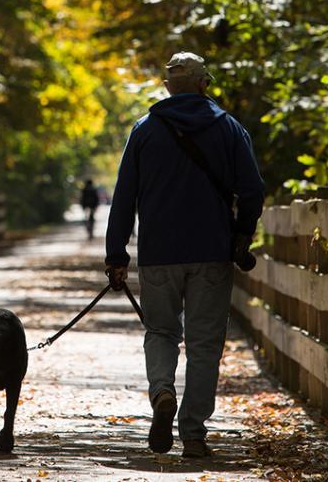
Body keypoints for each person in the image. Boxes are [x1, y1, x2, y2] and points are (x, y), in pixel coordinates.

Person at [104, 52, 264, 458]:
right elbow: (252, 189)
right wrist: (242, 233)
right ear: (203, 83)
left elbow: (124, 196)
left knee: (161, 332)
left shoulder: (144, 130)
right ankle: (193, 434)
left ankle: (162, 392)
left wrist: (116, 254)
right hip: (212, 251)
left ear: (168, 88)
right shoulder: (229, 128)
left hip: (158, 253)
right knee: (204, 344)